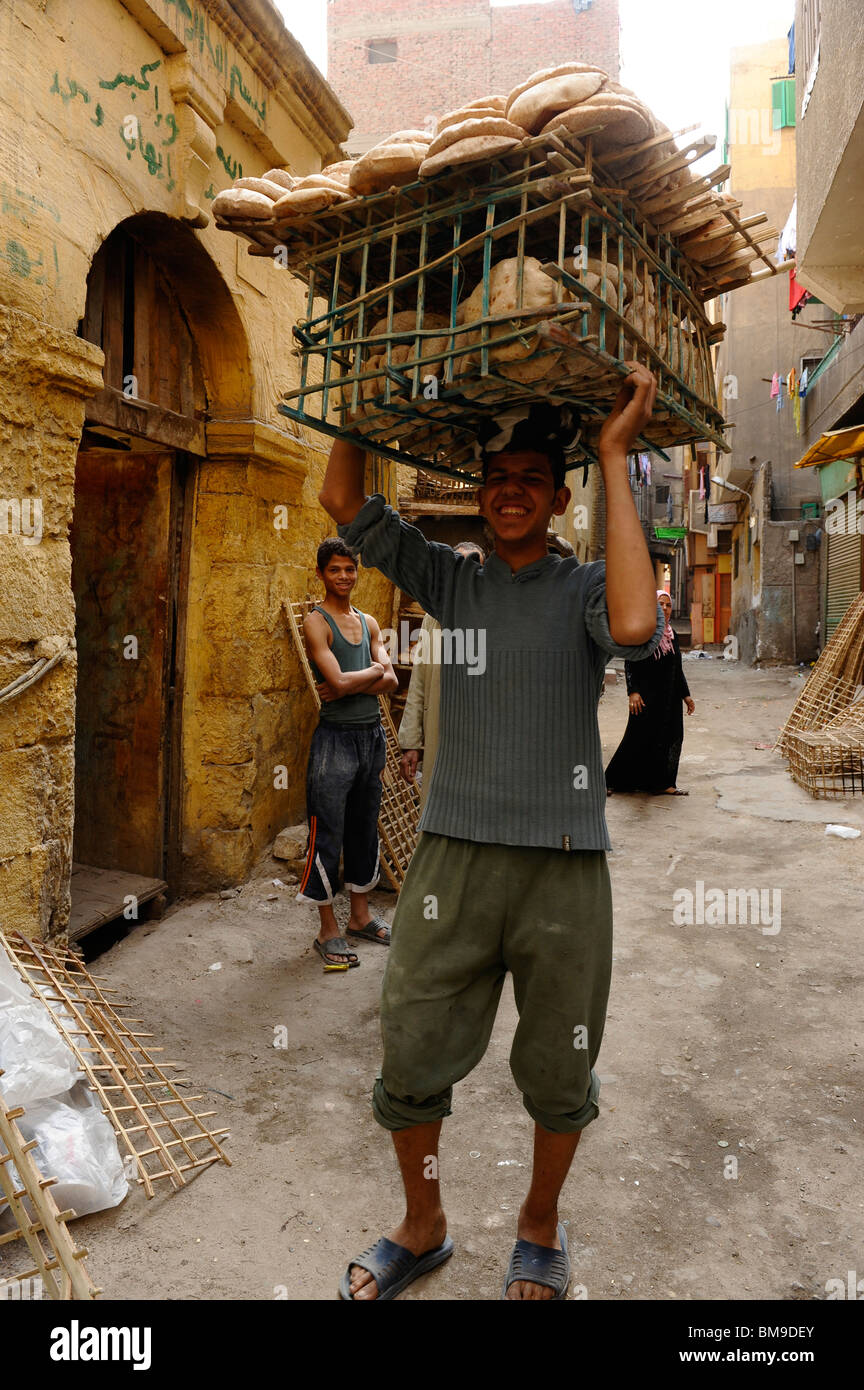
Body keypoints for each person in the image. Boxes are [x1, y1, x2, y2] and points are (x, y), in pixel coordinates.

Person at [319, 366, 664, 1301]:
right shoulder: (450, 579)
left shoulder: (585, 589)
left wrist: (616, 451)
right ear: (480, 495)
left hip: (564, 867)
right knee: (411, 1045)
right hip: (452, 858)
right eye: (497, 478)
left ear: (558, 499)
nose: (510, 491)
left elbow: (637, 623)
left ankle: (538, 1224)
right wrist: (356, 408)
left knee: (561, 1065)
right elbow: (343, 499)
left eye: (531, 480)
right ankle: (422, 1223)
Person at [296, 538, 399, 967]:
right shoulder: (315, 622)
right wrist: (372, 672)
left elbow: (390, 681)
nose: (343, 576)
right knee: (327, 833)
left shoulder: (368, 621)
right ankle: (327, 929)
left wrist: (354, 681)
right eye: (335, 569)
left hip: (370, 736)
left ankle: (359, 917)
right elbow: (338, 681)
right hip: (335, 740)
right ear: (321, 573)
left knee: (363, 827)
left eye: (350, 569)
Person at [397, 540, 485, 806]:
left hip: (479, 740)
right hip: (438, 734)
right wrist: (411, 743)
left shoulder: (492, 618)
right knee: (437, 805)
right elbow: (419, 682)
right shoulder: (432, 619)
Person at [605, 589, 696, 797]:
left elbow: (677, 667)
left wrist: (686, 695)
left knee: (670, 737)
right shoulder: (644, 632)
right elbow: (631, 662)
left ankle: (663, 783)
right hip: (646, 697)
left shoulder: (672, 635)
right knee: (637, 738)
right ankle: (611, 781)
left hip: (670, 698)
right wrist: (633, 691)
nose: (665, 608)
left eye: (668, 605)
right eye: (660, 604)